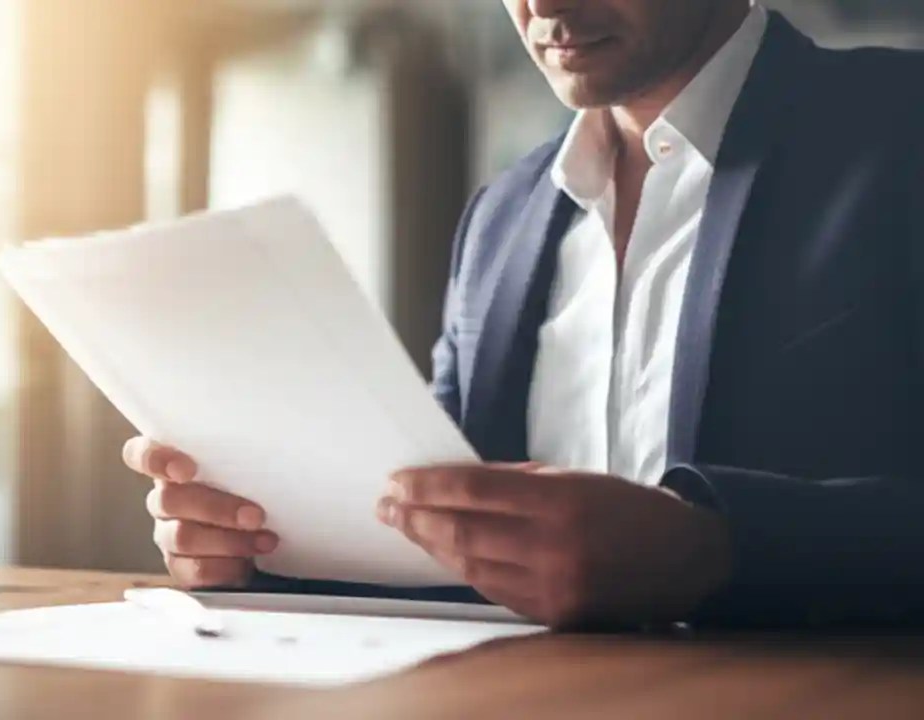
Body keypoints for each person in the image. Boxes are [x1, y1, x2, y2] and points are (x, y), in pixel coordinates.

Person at [123, 0, 924, 628]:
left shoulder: (900, 129)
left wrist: (711, 549)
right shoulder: (502, 215)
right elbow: (429, 521)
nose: (545, 3)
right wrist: (259, 545)